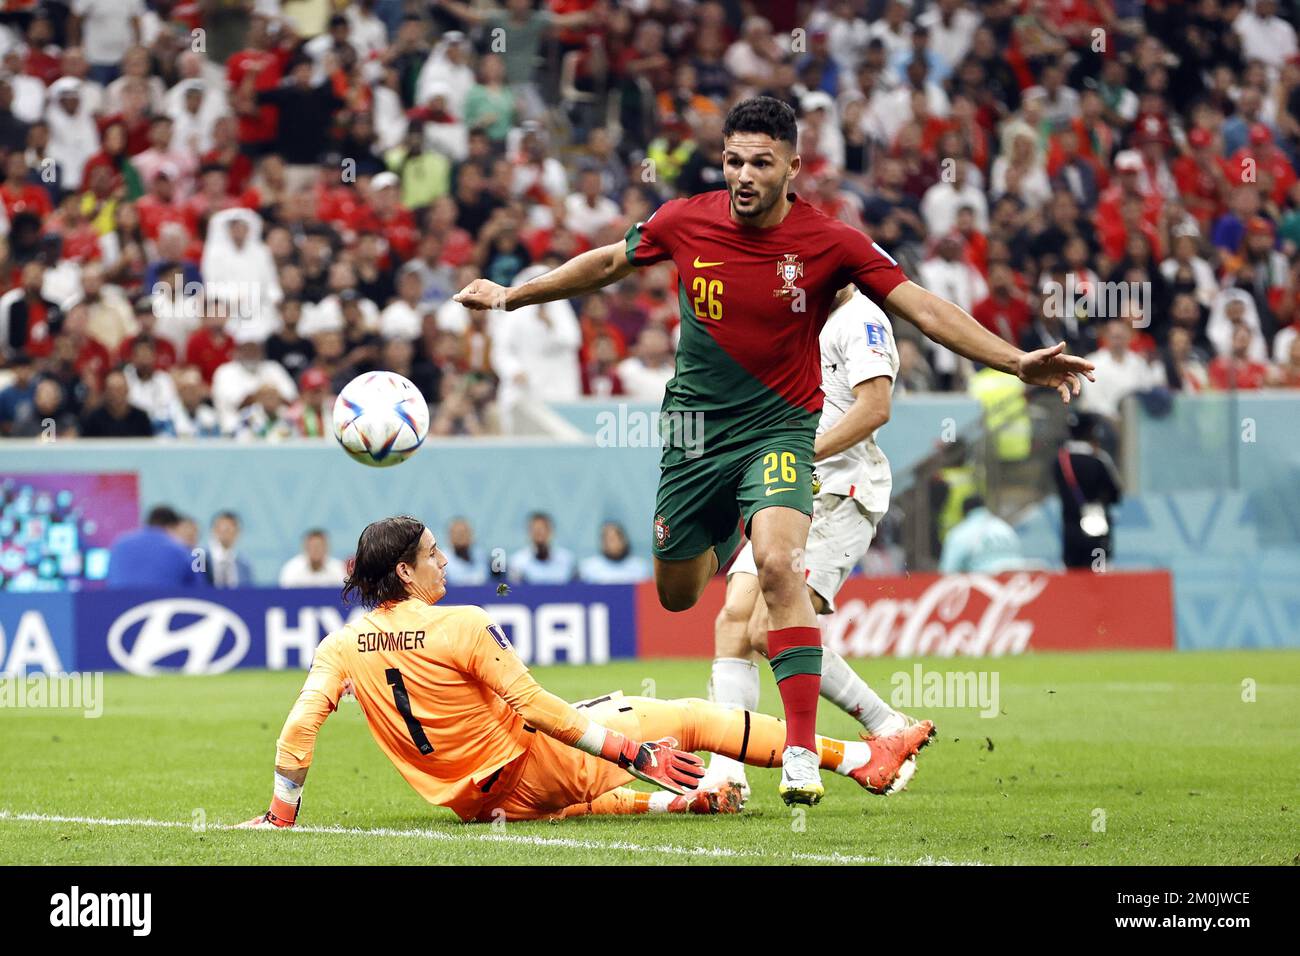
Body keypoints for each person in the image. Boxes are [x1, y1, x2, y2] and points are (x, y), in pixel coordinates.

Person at [455, 96, 1093, 805]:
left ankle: (800, 752)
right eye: (733, 161)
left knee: (781, 564)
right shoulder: (684, 220)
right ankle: (727, 531)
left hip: (779, 431)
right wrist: (513, 297)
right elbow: (607, 262)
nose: (744, 175)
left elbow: (921, 305)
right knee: (678, 594)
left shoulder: (830, 242)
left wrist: (1015, 360)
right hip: (695, 438)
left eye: (761, 163)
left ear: (793, 166)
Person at [236, 516, 933, 828]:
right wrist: (634, 753)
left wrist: (280, 815)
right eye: (431, 555)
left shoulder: (340, 645)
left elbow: (297, 730)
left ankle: (680, 803)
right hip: (532, 766)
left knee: (571, 785)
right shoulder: (463, 623)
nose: (443, 562)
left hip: (471, 804)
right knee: (689, 717)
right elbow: (537, 708)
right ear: (404, 571)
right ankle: (860, 759)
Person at [702, 284, 921, 798]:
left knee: (767, 629)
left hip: (839, 492)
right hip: (790, 490)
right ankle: (726, 775)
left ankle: (887, 726)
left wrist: (802, 451)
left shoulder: (861, 321)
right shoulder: (798, 315)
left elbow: (875, 408)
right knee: (733, 619)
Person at [1052, 413, 1122, 570]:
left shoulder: (1060, 461)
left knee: (1072, 577)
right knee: (1099, 572)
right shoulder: (1099, 460)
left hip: (1070, 530)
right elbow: (1115, 494)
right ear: (1091, 431)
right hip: (1097, 529)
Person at [106, 504, 205, 589]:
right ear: (172, 526)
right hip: (165, 602)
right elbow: (199, 589)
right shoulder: (183, 551)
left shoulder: (119, 544)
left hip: (120, 603)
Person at [938, 495, 1028, 573]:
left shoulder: (961, 532)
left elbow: (948, 570)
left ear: (964, 512)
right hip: (1018, 582)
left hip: (984, 584)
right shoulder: (1004, 527)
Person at [508, 512, 575, 584]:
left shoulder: (567, 560)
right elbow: (515, 588)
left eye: (543, 529)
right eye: (536, 531)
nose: (540, 534)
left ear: (551, 532)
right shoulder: (518, 562)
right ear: (529, 533)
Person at [578, 522, 651, 584]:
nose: (613, 544)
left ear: (624, 540)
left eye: (616, 538)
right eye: (609, 539)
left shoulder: (640, 567)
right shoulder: (589, 568)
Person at [279, 529, 347, 588]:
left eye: (319, 546)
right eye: (312, 546)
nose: (316, 550)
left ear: (327, 548)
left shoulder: (339, 569)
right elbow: (285, 595)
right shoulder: (291, 569)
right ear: (305, 548)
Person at [206, 510, 254, 587]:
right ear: (214, 530)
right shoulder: (201, 559)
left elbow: (248, 590)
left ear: (238, 533)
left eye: (231, 529)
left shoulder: (244, 565)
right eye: (224, 529)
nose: (227, 533)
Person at [443, 517, 490, 586]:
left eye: (464, 532)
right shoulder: (442, 561)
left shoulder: (481, 557)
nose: (461, 536)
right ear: (449, 536)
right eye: (457, 533)